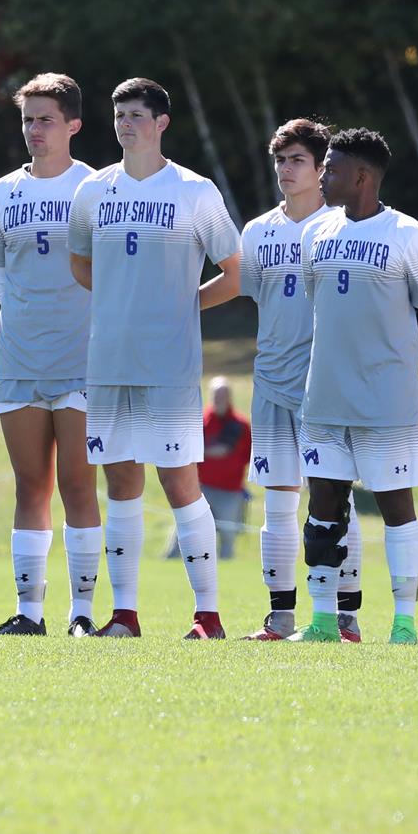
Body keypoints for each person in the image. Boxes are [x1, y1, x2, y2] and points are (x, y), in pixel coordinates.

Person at [66, 77, 242, 639]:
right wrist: (126, 304)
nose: (126, 124)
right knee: (120, 485)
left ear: (162, 122)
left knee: (179, 482)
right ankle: (125, 616)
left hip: (170, 366)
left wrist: (181, 307)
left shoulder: (194, 191)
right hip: (109, 362)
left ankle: (208, 616)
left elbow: (235, 275)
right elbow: (80, 266)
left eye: (138, 114)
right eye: (120, 115)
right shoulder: (93, 190)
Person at [295, 127, 418, 645]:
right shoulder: (314, 233)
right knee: (322, 510)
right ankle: (320, 621)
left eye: (331, 168)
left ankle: (404, 623)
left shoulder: (411, 236)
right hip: (324, 398)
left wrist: (388, 357)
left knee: (396, 510)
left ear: (361, 176)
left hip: (386, 402)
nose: (322, 176)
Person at [0, 73, 102, 636]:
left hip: (85, 359)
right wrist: (32, 317)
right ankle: (29, 612)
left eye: (45, 119)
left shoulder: (100, 187)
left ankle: (81, 613)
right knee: (31, 486)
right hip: (21, 358)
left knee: (78, 484)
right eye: (28, 119)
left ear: (73, 124)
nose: (34, 130)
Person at [236, 117, 363, 641]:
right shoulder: (259, 230)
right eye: (280, 161)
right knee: (277, 500)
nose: (286, 170)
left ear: (321, 167)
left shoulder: (345, 227)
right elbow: (252, 296)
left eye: (297, 161)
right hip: (270, 383)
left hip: (327, 384)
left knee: (334, 500)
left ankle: (346, 616)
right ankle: (280, 615)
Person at [194, 377, 250, 560]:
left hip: (230, 492)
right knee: (188, 532)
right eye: (215, 395)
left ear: (229, 397)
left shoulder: (240, 425)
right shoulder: (200, 422)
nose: (219, 399)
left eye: (223, 395)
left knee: (227, 538)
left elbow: (247, 455)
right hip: (201, 489)